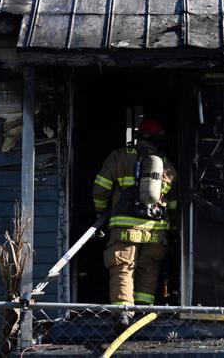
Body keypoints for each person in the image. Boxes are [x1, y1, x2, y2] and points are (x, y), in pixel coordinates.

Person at [92, 118, 178, 330]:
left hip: (124, 229)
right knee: (148, 269)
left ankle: (123, 314)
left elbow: (100, 188)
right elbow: (174, 204)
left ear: (139, 137)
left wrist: (101, 211)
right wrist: (172, 230)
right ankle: (141, 315)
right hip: (156, 233)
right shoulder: (168, 167)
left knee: (123, 268)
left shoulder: (119, 156)